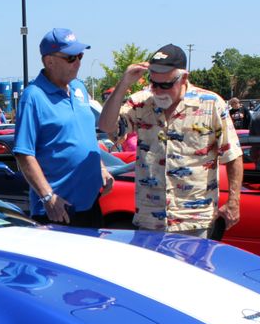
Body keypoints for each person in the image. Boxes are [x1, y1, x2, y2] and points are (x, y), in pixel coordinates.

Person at [99, 43, 243, 237]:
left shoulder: (210, 104)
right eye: (154, 83)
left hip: (194, 219)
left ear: (183, 78)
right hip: (150, 218)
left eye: (166, 85)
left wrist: (234, 202)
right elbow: (108, 127)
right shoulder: (141, 103)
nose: (158, 90)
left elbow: (233, 155)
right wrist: (123, 84)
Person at [14, 27, 113, 227]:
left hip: (90, 203)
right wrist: (48, 197)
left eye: (80, 56)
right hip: (59, 209)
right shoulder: (33, 96)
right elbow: (24, 154)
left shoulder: (79, 88)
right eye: (70, 58)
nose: (77, 62)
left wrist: (100, 166)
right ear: (49, 61)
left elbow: (84, 135)